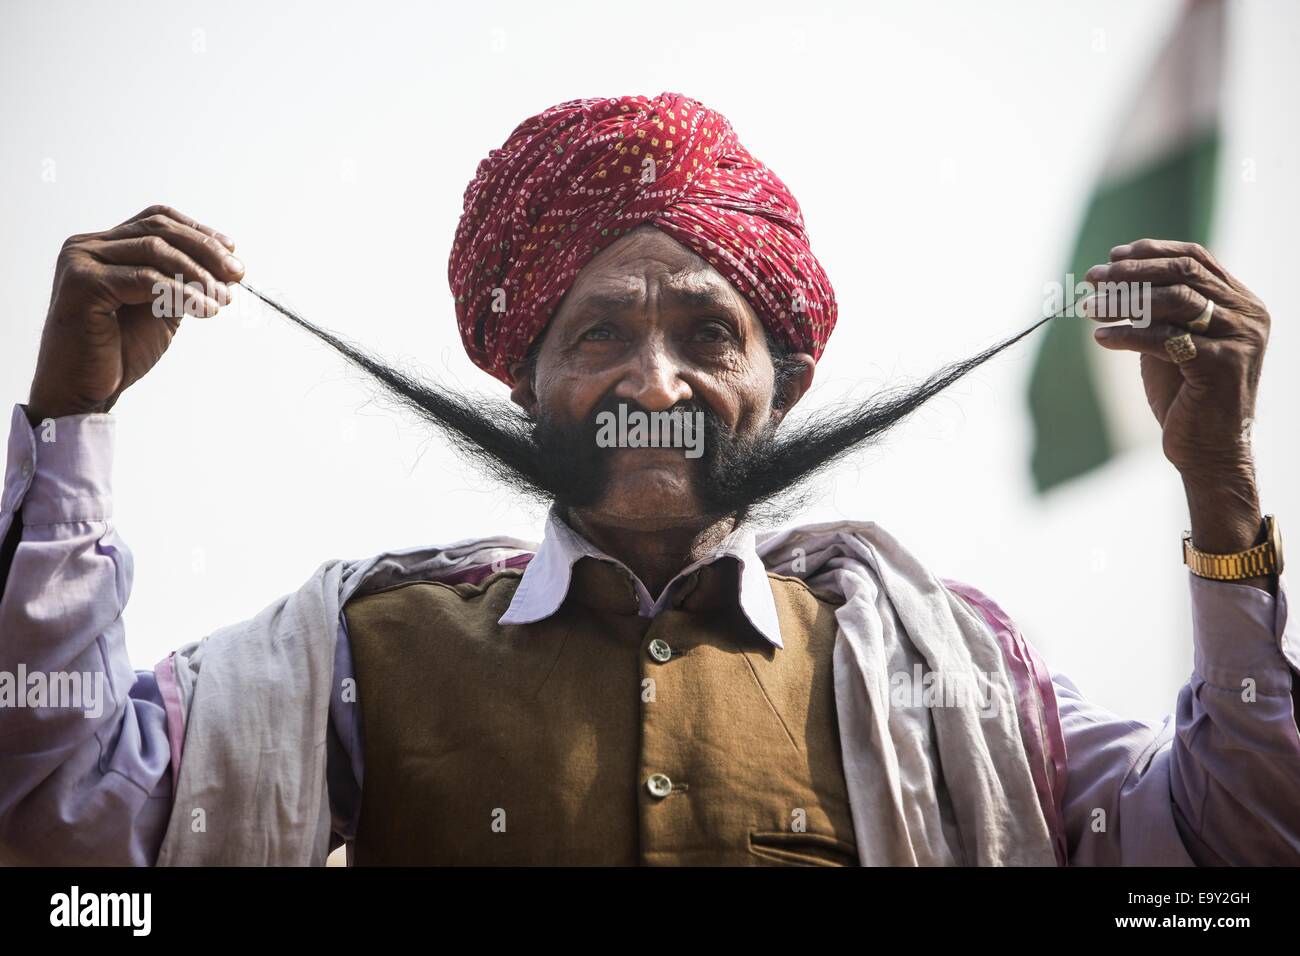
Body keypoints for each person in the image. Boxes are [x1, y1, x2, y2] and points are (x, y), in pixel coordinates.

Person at [1, 92, 1295, 866]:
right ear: (523, 380)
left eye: (708, 338)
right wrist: (71, 416)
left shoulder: (945, 679)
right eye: (602, 334)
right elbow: (62, 823)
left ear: (782, 391)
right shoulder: (354, 657)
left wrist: (1224, 498)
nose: (656, 388)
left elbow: (1235, 855)